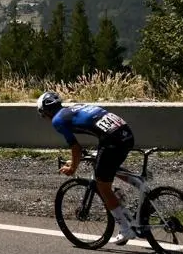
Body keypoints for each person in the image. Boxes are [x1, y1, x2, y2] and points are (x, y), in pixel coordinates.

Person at [37, 91, 139, 244]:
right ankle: (141, 184)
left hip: (111, 140)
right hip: (125, 133)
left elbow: (76, 149)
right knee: (107, 165)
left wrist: (72, 168)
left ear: (45, 112)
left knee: (102, 185)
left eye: (42, 115)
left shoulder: (57, 120)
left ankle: (125, 229)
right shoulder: (75, 108)